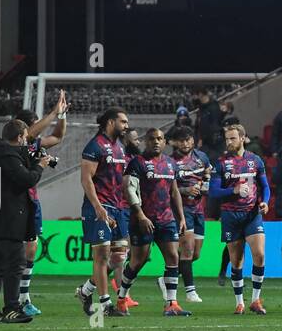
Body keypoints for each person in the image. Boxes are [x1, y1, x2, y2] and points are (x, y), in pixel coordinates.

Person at [0, 119, 45, 324]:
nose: (27, 141)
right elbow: (26, 180)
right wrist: (40, 166)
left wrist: (33, 162)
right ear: (19, 137)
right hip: (8, 219)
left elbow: (15, 175)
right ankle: (12, 308)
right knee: (15, 264)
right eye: (25, 137)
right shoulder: (7, 155)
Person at [121, 127, 190, 317]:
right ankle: (121, 298)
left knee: (173, 257)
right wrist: (141, 215)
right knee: (138, 261)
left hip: (166, 219)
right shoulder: (137, 163)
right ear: (146, 141)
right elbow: (129, 190)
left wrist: (181, 217)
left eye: (160, 138)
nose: (156, 142)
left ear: (165, 142)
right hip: (142, 220)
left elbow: (174, 192)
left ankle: (171, 303)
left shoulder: (170, 164)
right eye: (152, 139)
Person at [74, 108, 130, 319]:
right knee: (102, 255)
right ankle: (105, 305)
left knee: (117, 257)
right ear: (110, 122)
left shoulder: (120, 148)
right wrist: (97, 206)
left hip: (117, 208)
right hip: (98, 207)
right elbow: (86, 179)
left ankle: (86, 290)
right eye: (123, 122)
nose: (126, 126)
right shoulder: (94, 145)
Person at [16, 92, 68, 316]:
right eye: (35, 124)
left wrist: (62, 115)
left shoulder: (34, 144)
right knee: (14, 253)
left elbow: (57, 137)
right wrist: (53, 112)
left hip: (32, 201)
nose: (39, 127)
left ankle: (23, 297)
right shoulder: (14, 143)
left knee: (31, 249)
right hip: (15, 202)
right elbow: (31, 133)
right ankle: (12, 298)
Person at [210, 124, 270, 315]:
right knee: (236, 262)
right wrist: (233, 190)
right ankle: (239, 303)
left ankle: (255, 300)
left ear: (242, 138)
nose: (228, 142)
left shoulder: (255, 160)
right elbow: (213, 191)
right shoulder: (221, 163)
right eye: (227, 139)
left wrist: (265, 202)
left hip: (252, 214)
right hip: (230, 215)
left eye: (232, 138)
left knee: (259, 255)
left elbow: (265, 187)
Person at [169, 126, 210, 304]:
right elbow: (167, 189)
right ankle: (190, 292)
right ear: (175, 142)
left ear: (193, 140)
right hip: (181, 210)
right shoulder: (169, 162)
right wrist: (186, 189)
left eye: (188, 140)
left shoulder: (202, 158)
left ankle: (166, 278)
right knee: (187, 250)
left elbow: (208, 177)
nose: (185, 143)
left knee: (196, 254)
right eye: (181, 140)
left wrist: (204, 186)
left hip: (199, 209)